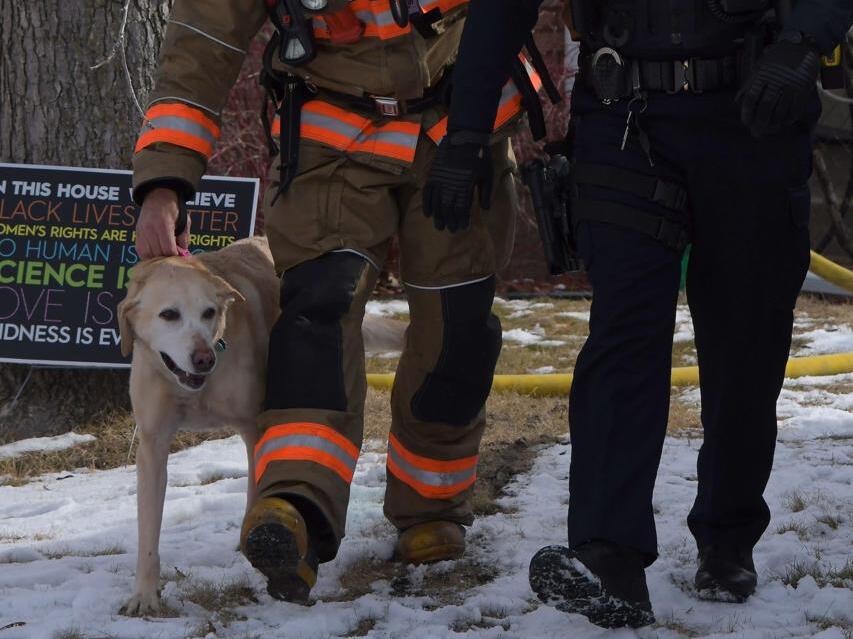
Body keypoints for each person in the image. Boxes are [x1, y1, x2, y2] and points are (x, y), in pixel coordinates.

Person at [424, 0, 853, 629]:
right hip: (624, 113)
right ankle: (608, 556)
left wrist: (804, 43)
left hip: (753, 108)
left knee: (746, 339)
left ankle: (728, 534)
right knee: (623, 331)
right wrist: (464, 133)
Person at [131, 0, 540, 603]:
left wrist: (477, 134)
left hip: (460, 127)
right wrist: (164, 183)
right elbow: (201, 41)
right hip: (332, 139)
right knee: (316, 312)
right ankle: (296, 509)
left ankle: (430, 506)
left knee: (456, 330)